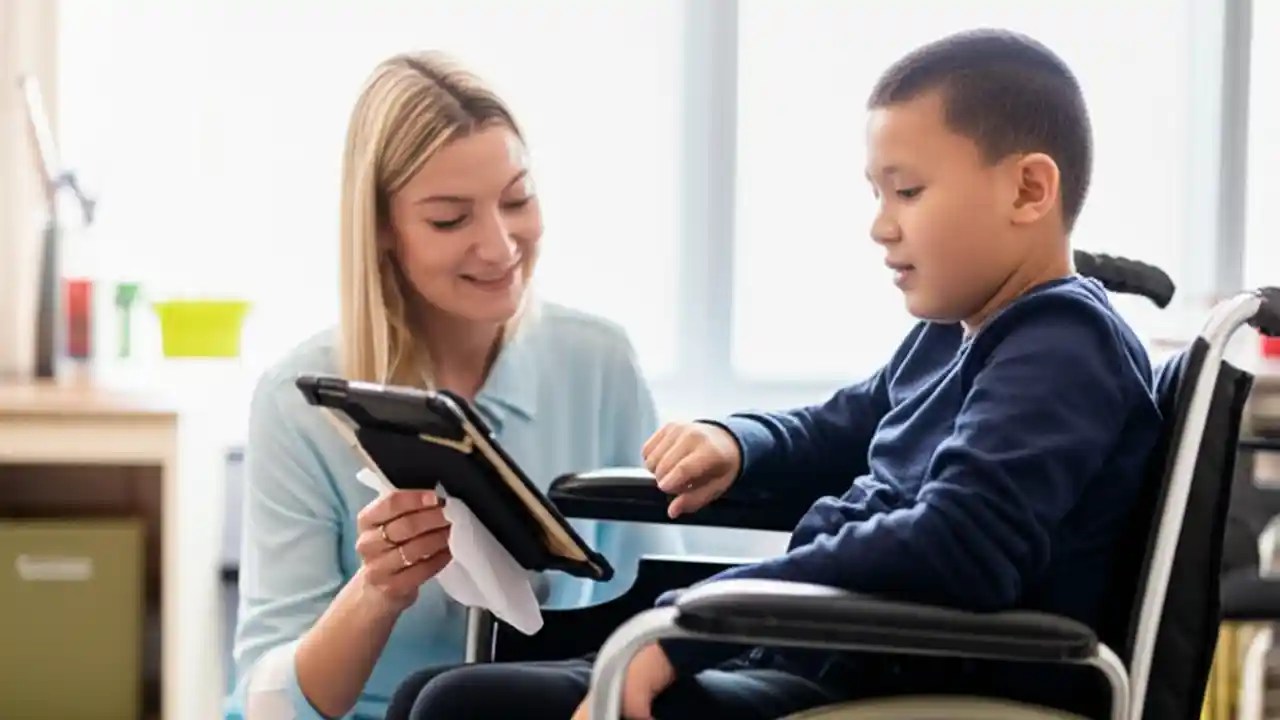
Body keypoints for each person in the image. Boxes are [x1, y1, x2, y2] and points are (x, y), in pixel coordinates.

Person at [388, 28, 1163, 720]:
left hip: (888, 679)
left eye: (909, 191)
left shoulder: (1063, 348)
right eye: (876, 193)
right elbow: (837, 427)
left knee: (463, 703)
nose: (880, 224)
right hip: (810, 655)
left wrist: (696, 621)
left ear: (1029, 189)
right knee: (428, 691)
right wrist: (738, 442)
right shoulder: (951, 337)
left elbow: (961, 544)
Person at [224, 51, 686, 720]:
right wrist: (378, 590)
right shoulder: (297, 405)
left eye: (517, 200)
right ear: (383, 230)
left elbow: (652, 602)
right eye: (450, 219)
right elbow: (266, 705)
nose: (500, 247)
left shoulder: (598, 362)